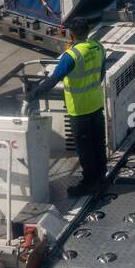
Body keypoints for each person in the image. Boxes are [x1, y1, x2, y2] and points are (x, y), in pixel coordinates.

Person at [27, 17, 107, 192]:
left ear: (71, 34)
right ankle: (102, 175)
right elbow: (101, 75)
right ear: (88, 30)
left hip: (79, 109)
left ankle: (89, 182)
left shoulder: (71, 56)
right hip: (96, 104)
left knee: (84, 147)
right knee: (98, 142)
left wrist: (31, 96)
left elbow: (53, 80)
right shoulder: (99, 47)